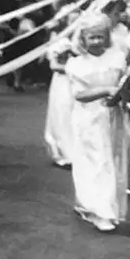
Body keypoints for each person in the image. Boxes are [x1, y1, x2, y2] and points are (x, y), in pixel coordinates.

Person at [66, 11, 130, 232]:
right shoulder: (77, 64)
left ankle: (97, 204)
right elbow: (79, 95)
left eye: (100, 36)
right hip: (89, 117)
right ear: (83, 39)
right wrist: (105, 90)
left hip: (112, 116)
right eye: (91, 37)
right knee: (96, 161)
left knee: (111, 159)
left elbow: (126, 80)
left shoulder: (116, 58)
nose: (97, 41)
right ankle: (101, 210)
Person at [45, 20, 79, 168]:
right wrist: (73, 68)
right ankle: (65, 154)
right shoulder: (59, 42)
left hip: (77, 83)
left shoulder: (80, 41)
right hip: (63, 83)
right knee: (62, 114)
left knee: (75, 116)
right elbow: (53, 65)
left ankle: (76, 153)